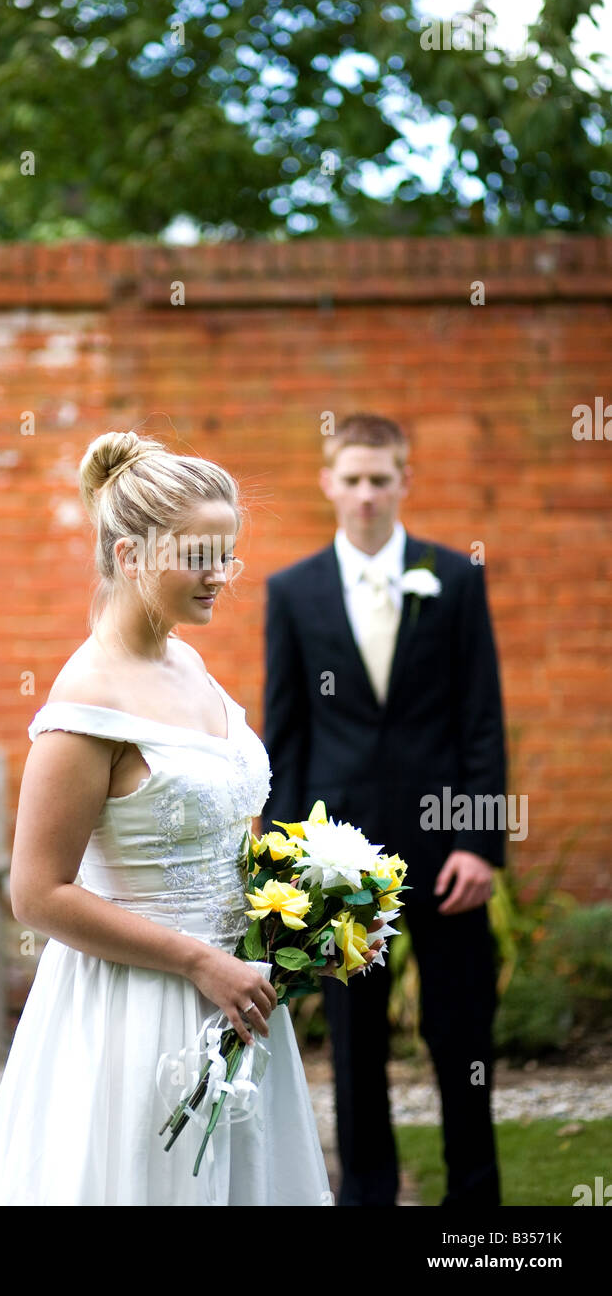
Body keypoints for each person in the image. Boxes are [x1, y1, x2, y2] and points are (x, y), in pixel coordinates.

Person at [0, 428, 378, 1207]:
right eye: (199, 556)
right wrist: (197, 961)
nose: (221, 577)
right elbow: (37, 895)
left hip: (237, 994)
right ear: (131, 556)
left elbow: (224, 829)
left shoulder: (189, 662)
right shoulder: (84, 708)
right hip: (134, 1012)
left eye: (227, 554)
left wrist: (306, 912)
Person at [262, 413, 507, 1207]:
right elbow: (287, 733)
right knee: (356, 1041)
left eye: (381, 479)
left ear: (405, 481)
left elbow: (481, 717)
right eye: (352, 478)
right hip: (343, 857)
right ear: (328, 482)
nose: (366, 494)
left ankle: (476, 1204)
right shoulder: (291, 592)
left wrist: (481, 843)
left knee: (460, 1033)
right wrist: (294, 860)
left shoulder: (455, 578)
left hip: (447, 855)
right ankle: (366, 1194)